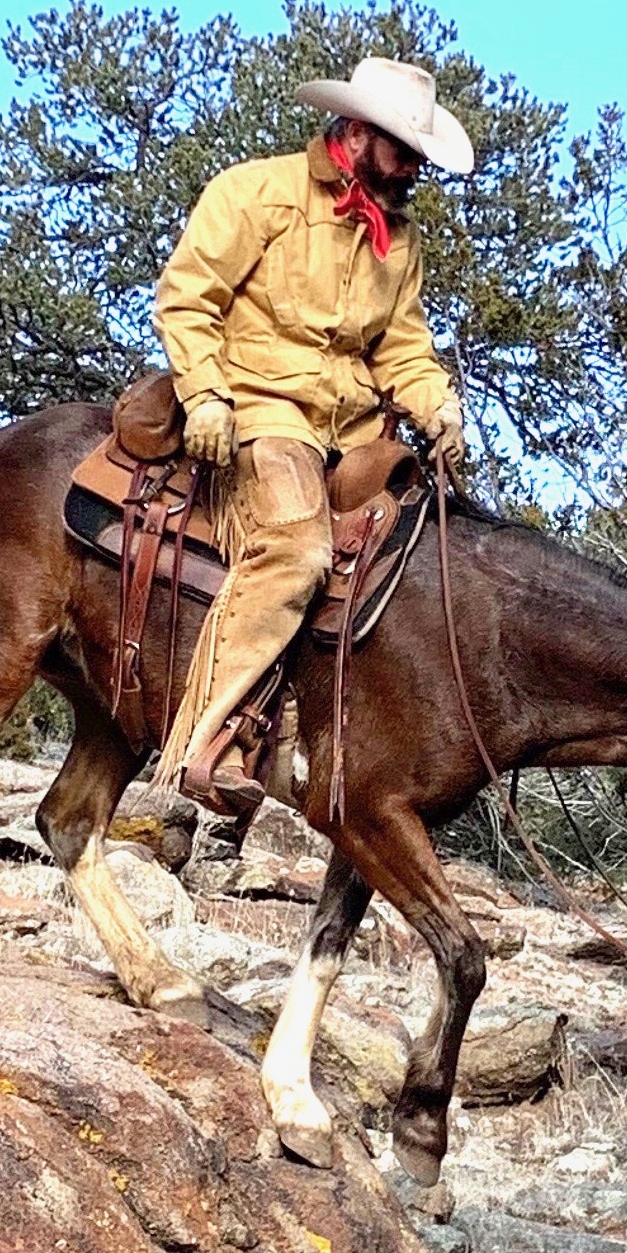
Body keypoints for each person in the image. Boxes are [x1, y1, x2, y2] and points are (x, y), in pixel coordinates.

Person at [152, 56, 474, 814]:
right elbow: (188, 298)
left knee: (424, 561)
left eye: (422, 157)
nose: (414, 171)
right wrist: (203, 395)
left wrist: (439, 406)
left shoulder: (402, 238)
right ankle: (204, 742)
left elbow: (402, 347)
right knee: (298, 552)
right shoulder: (255, 193)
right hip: (264, 411)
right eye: (404, 153)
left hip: (354, 429)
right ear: (357, 133)